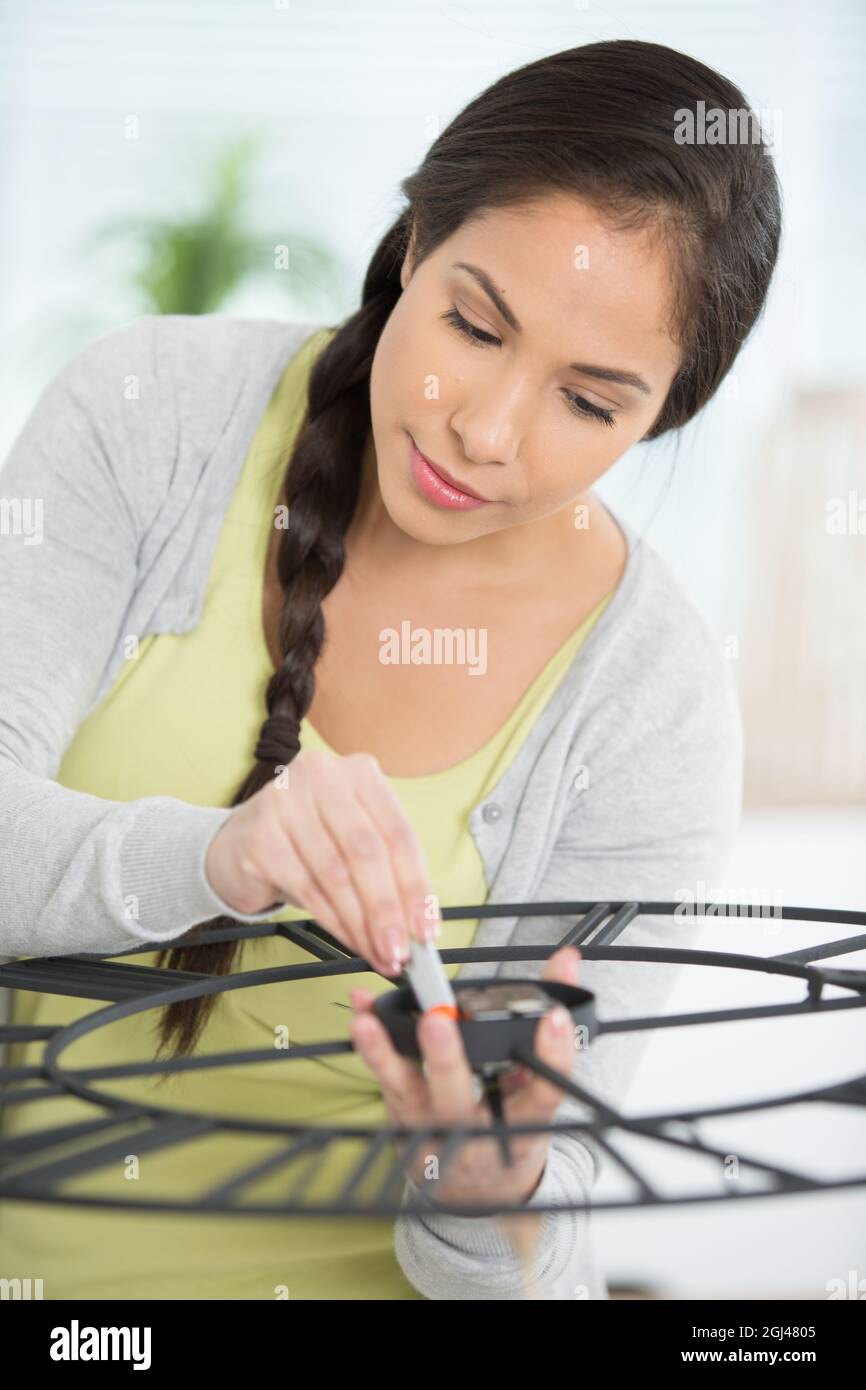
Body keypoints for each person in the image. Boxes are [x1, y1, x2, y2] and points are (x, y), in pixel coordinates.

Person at [0, 38, 781, 1299]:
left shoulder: (654, 704)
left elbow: (541, 1244)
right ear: (413, 242)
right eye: (474, 324)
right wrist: (214, 858)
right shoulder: (147, 412)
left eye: (589, 404)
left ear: (659, 417)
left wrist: (491, 1180)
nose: (484, 432)